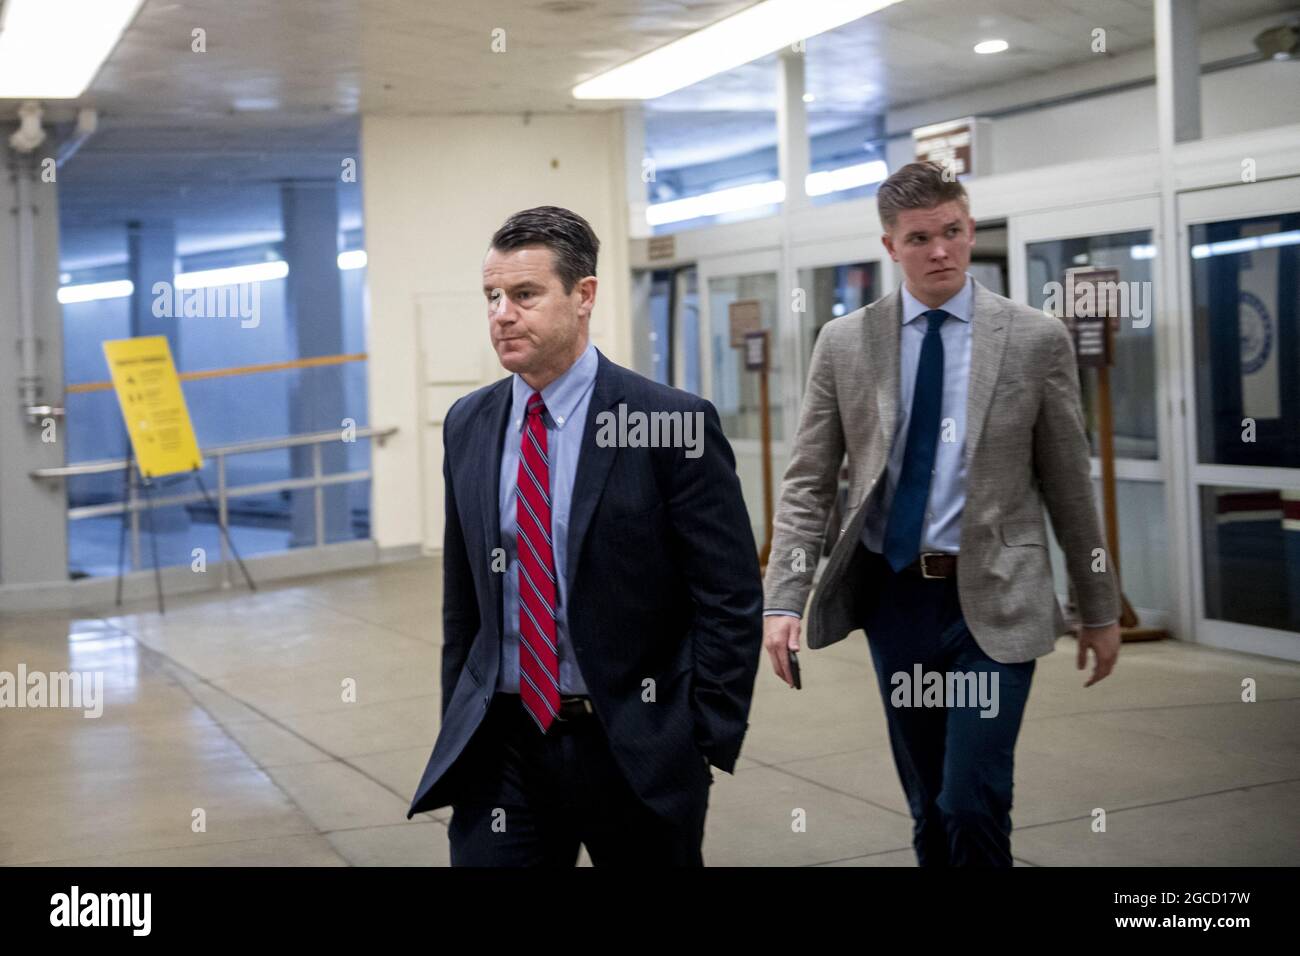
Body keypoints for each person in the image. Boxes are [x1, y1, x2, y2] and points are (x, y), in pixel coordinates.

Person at [763, 161, 1122, 867]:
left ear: (970, 228)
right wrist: (784, 596)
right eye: (920, 237)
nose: (940, 251)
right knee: (929, 807)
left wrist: (1099, 607)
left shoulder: (1032, 339)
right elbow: (808, 483)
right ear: (890, 246)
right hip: (896, 599)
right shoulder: (845, 342)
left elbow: (1069, 490)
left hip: (996, 597)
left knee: (970, 798)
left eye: (953, 232)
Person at [408, 205, 763, 866]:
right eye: (493, 297)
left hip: (632, 744)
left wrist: (698, 732)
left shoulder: (668, 423)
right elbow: (465, 606)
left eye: (524, 295)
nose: (502, 314)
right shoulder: (471, 424)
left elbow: (729, 594)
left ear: (584, 296)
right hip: (505, 745)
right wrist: (460, 716)